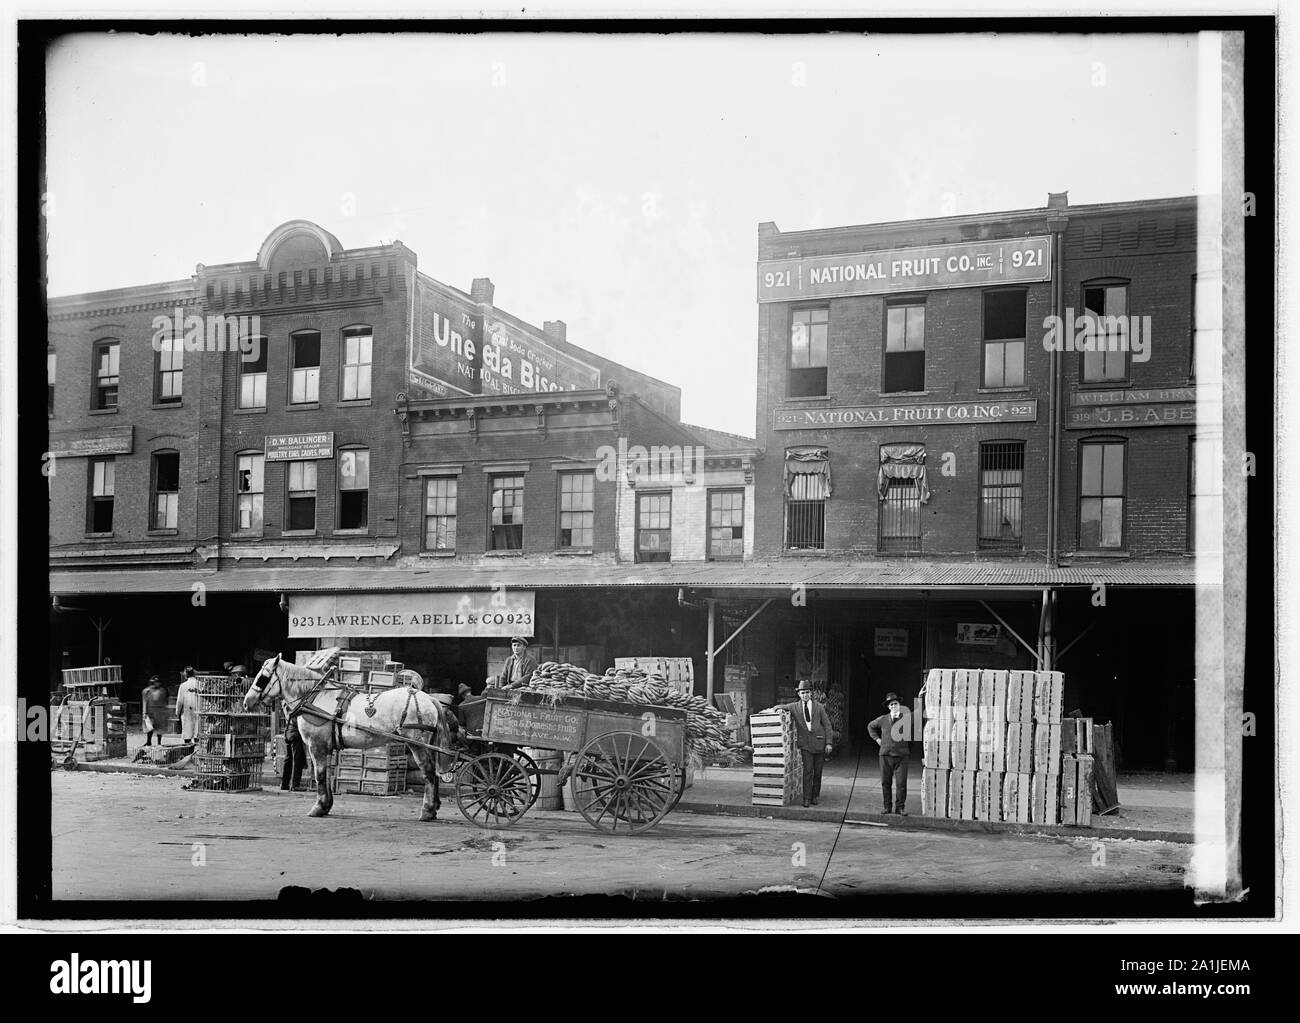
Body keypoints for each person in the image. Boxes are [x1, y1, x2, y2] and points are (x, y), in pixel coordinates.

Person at [763, 681, 836, 807]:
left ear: (811, 693)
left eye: (807, 692)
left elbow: (828, 726)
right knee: (807, 771)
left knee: (817, 772)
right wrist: (775, 709)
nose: (805, 695)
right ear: (799, 694)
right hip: (805, 745)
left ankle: (815, 796)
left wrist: (829, 743)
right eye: (803, 693)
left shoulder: (819, 707)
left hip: (820, 743)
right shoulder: (794, 706)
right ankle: (806, 798)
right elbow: (781, 706)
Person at [868, 692, 913, 815]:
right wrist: (877, 739)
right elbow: (870, 726)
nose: (894, 706)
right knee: (886, 782)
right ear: (888, 707)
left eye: (896, 704)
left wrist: (922, 696)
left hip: (902, 756)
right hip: (885, 755)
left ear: (899, 705)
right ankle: (887, 807)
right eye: (891, 704)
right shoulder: (882, 719)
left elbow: (919, 714)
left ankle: (900, 808)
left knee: (901, 783)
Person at [141, 676, 170, 747]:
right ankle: (148, 741)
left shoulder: (162, 691)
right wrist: (144, 712)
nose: (156, 684)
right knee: (149, 727)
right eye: (155, 682)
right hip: (150, 710)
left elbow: (165, 701)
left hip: (160, 711)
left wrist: (165, 711)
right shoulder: (146, 691)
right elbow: (144, 702)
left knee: (160, 728)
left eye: (158, 682)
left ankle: (159, 742)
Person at [280, 715, 307, 791]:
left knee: (288, 759)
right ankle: (295, 785)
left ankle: (284, 784)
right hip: (295, 734)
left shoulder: (288, 707)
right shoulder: (298, 708)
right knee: (297, 760)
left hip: (288, 732)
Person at [175, 667, 200, 744]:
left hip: (187, 712)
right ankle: (197, 752)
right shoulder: (200, 684)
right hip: (199, 711)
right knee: (197, 732)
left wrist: (177, 712)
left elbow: (180, 701)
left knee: (187, 733)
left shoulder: (183, 685)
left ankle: (188, 752)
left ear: (186, 674)